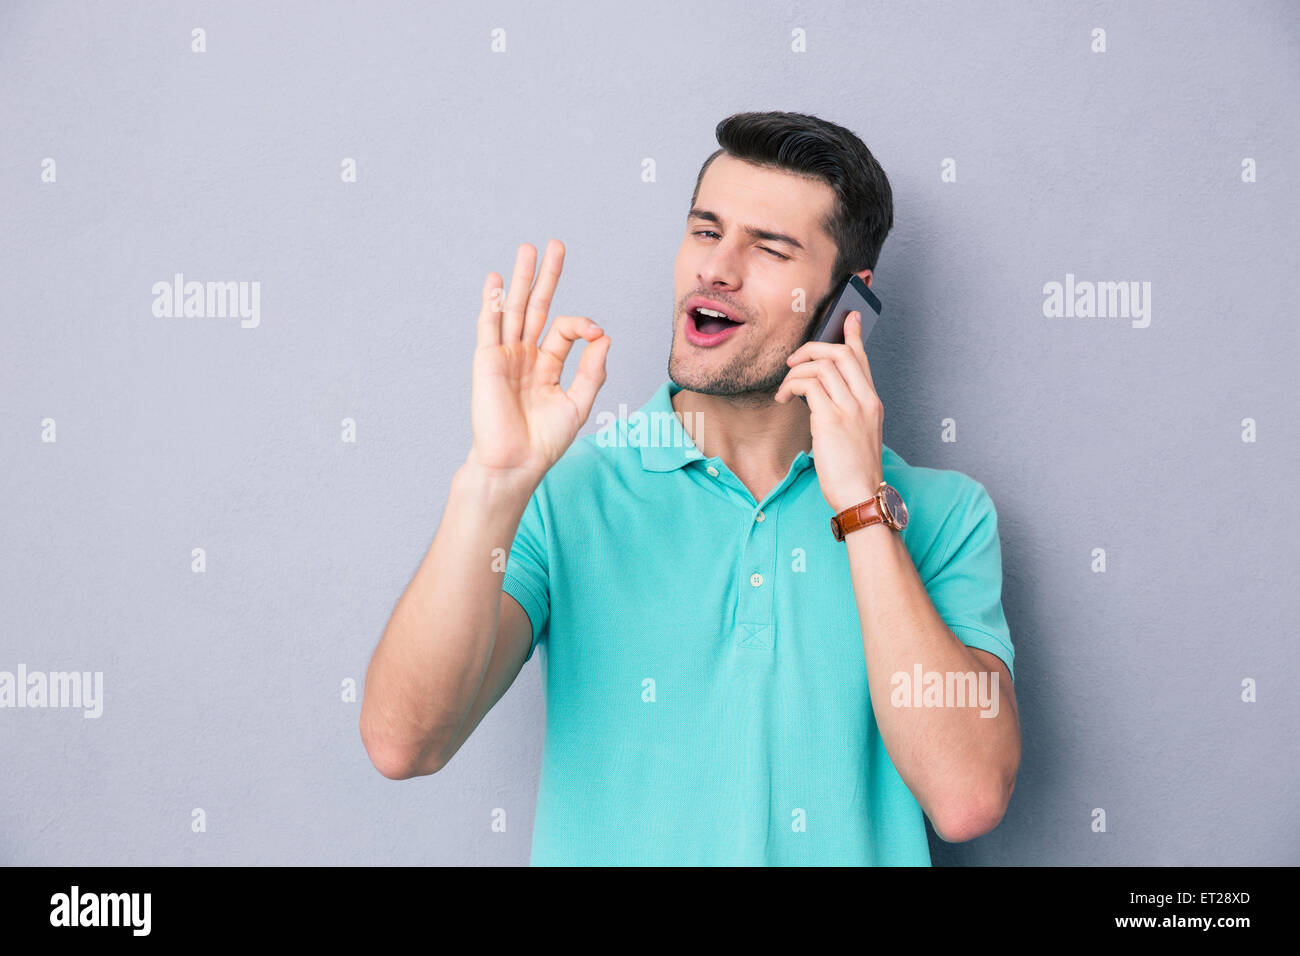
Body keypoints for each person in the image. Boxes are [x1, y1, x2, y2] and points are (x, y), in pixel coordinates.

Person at [360, 110, 1021, 865]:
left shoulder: (943, 514)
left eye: (770, 248)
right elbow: (402, 742)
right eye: (706, 232)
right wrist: (493, 481)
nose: (718, 268)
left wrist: (862, 512)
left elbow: (966, 796)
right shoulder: (564, 497)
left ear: (847, 303)